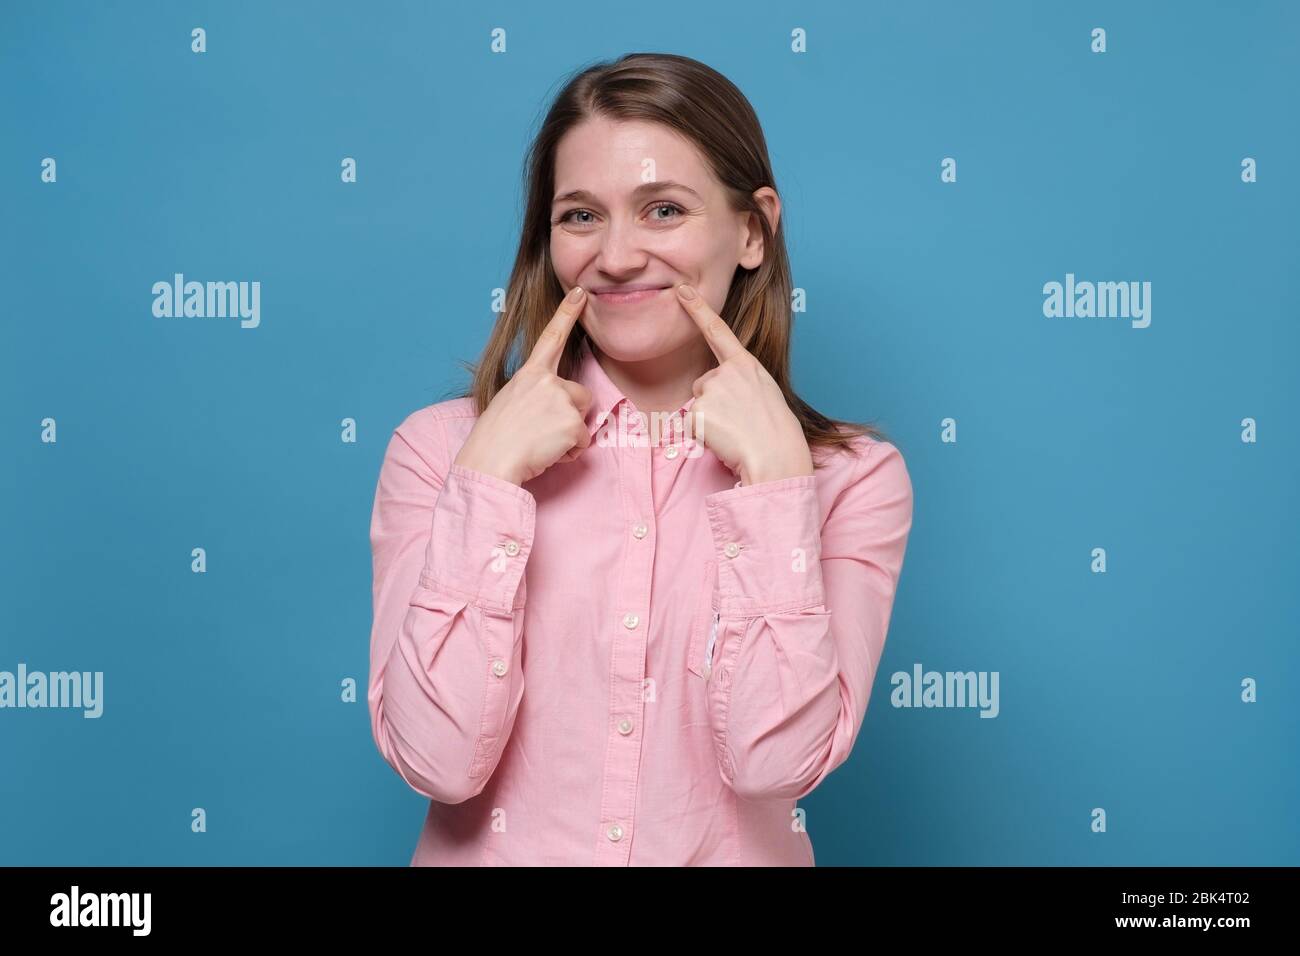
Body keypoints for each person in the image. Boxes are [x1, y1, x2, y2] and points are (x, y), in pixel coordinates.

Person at [367, 52, 913, 866]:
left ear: (754, 229)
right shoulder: (439, 451)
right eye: (581, 216)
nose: (616, 256)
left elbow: (774, 766)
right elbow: (438, 764)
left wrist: (774, 493)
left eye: (663, 210)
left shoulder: (850, 480)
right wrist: (484, 489)